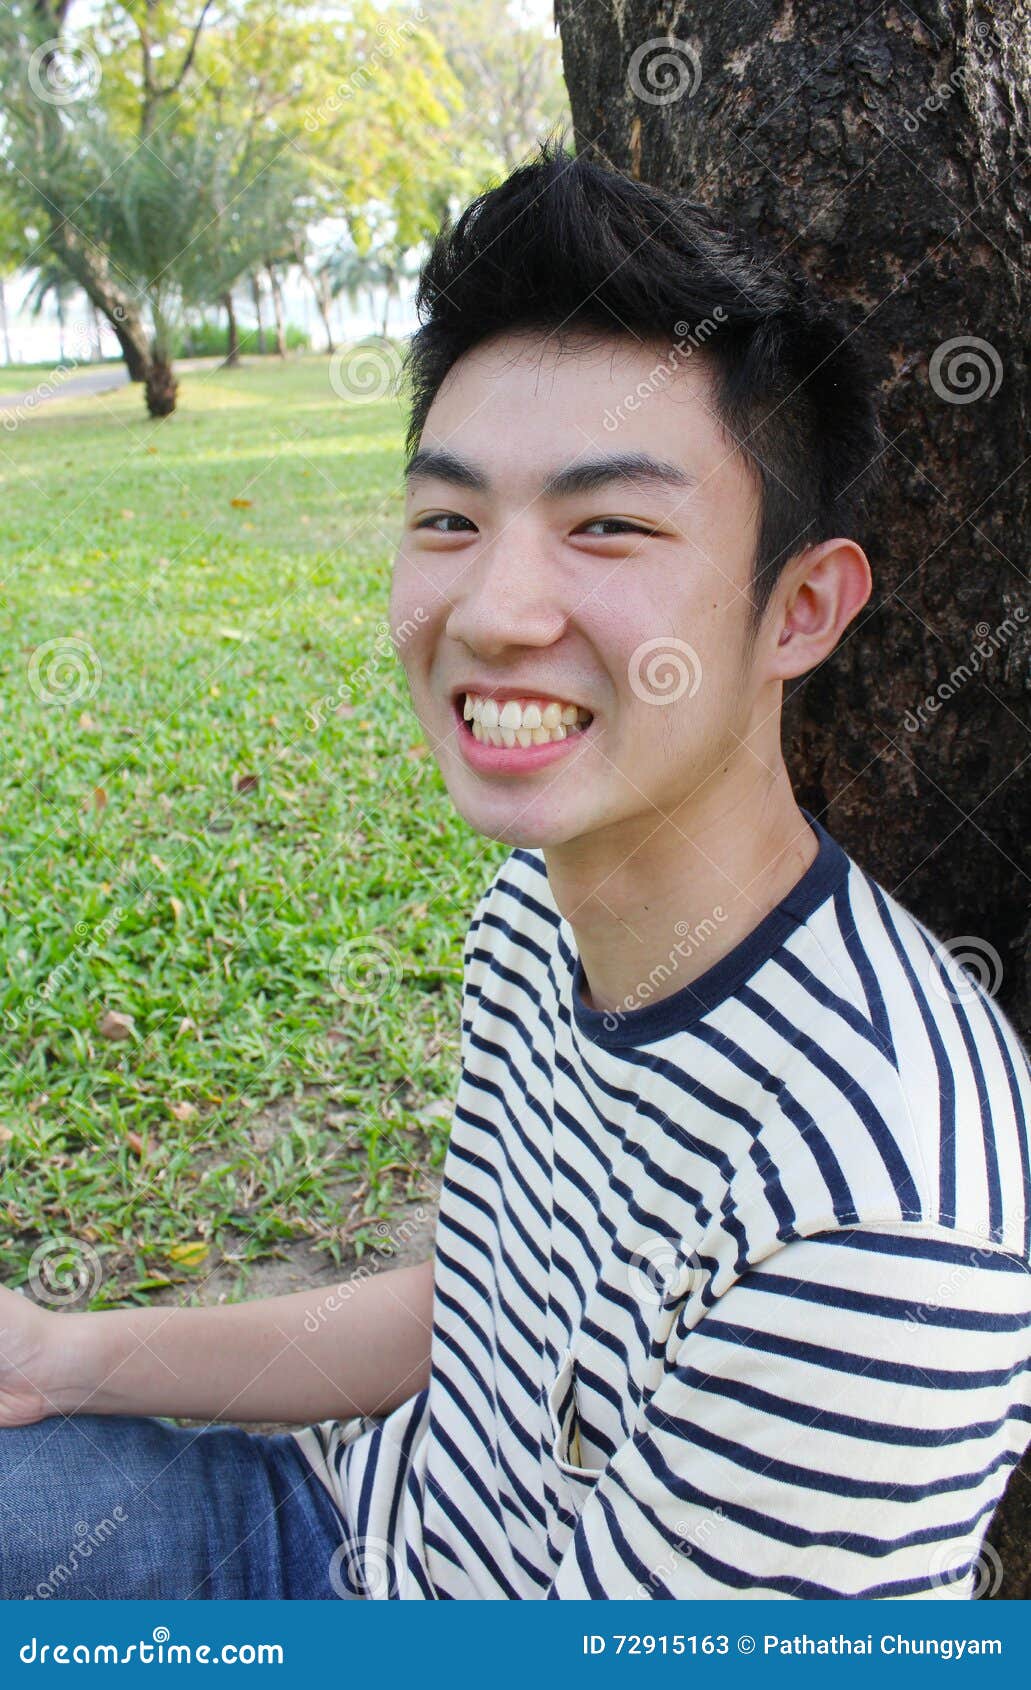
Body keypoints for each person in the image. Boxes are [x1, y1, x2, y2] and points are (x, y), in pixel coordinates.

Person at [1, 142, 1029, 1601]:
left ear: (800, 608)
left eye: (608, 523)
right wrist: (69, 1351)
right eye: (450, 521)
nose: (492, 609)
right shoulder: (535, 914)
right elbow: (484, 1313)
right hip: (323, 1533)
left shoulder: (875, 1206)